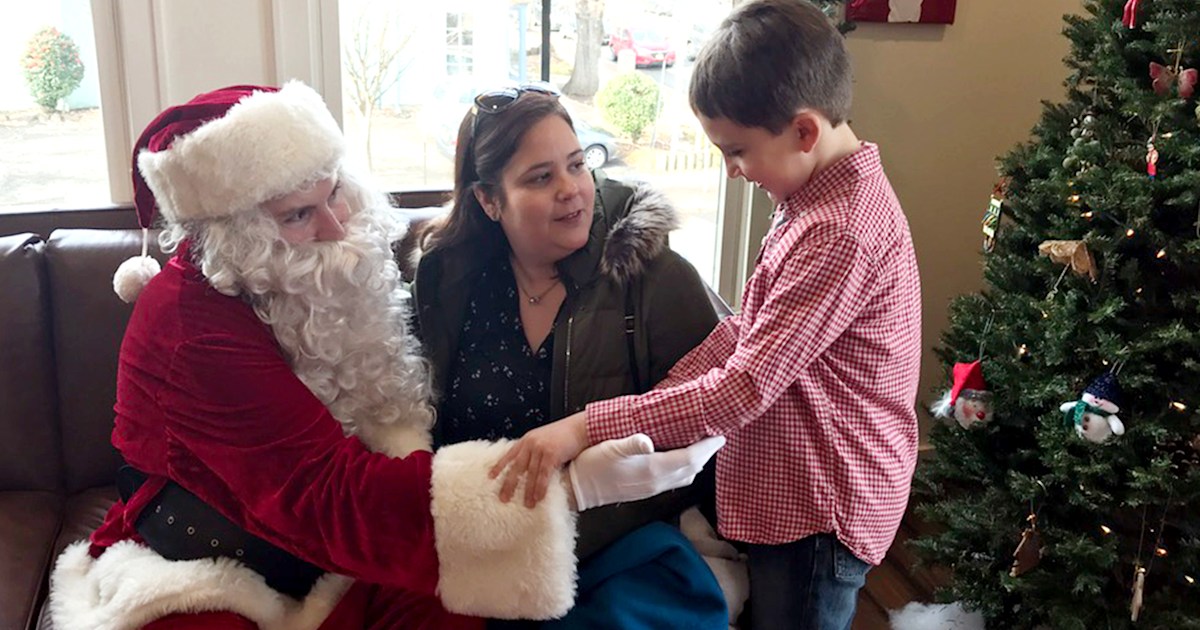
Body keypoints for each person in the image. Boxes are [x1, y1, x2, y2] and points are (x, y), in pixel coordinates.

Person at [46, 81, 722, 630]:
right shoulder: (194, 326)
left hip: (345, 544)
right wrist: (569, 488)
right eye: (298, 215)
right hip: (212, 559)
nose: (337, 228)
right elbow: (329, 494)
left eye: (334, 192)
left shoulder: (346, 272)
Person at [490, 1, 924, 629]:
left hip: (820, 509)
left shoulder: (839, 232)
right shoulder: (812, 194)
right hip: (796, 488)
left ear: (804, 132)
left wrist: (586, 425)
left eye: (737, 150)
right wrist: (656, 401)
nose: (732, 170)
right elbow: (747, 333)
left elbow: (744, 387)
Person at [412, 85, 733, 628]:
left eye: (577, 164)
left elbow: (711, 435)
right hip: (479, 548)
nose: (571, 190)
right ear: (489, 202)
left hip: (616, 555)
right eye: (540, 178)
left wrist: (572, 502)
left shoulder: (653, 279)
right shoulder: (448, 281)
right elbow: (421, 429)